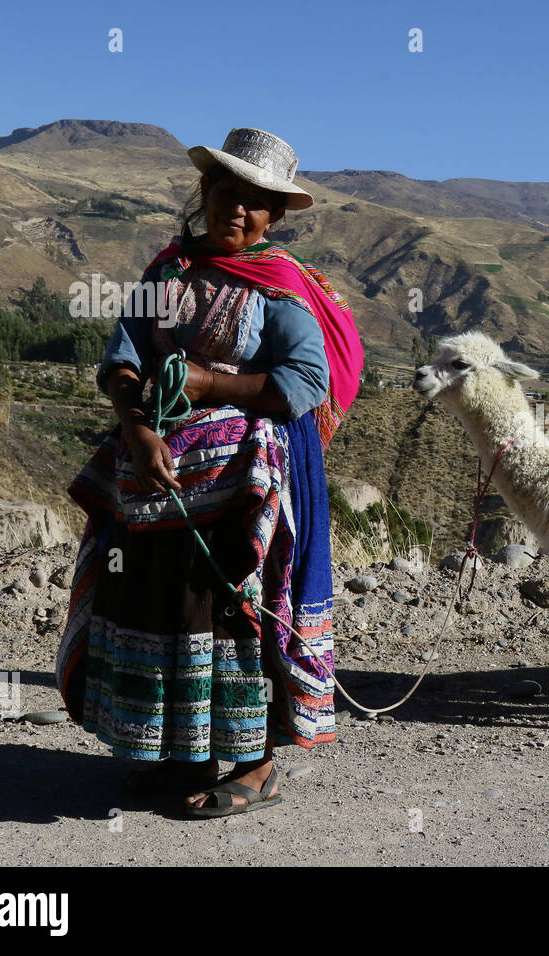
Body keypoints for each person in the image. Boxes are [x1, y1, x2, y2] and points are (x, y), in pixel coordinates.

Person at [56, 128, 363, 816]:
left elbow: (304, 382)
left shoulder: (279, 287)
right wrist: (137, 429)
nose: (239, 211)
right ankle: (182, 753)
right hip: (155, 473)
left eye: (258, 203)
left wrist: (204, 384)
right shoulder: (167, 273)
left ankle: (255, 766)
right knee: (160, 603)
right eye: (229, 193)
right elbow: (123, 358)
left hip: (238, 485)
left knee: (228, 611)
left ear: (274, 216)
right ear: (205, 191)